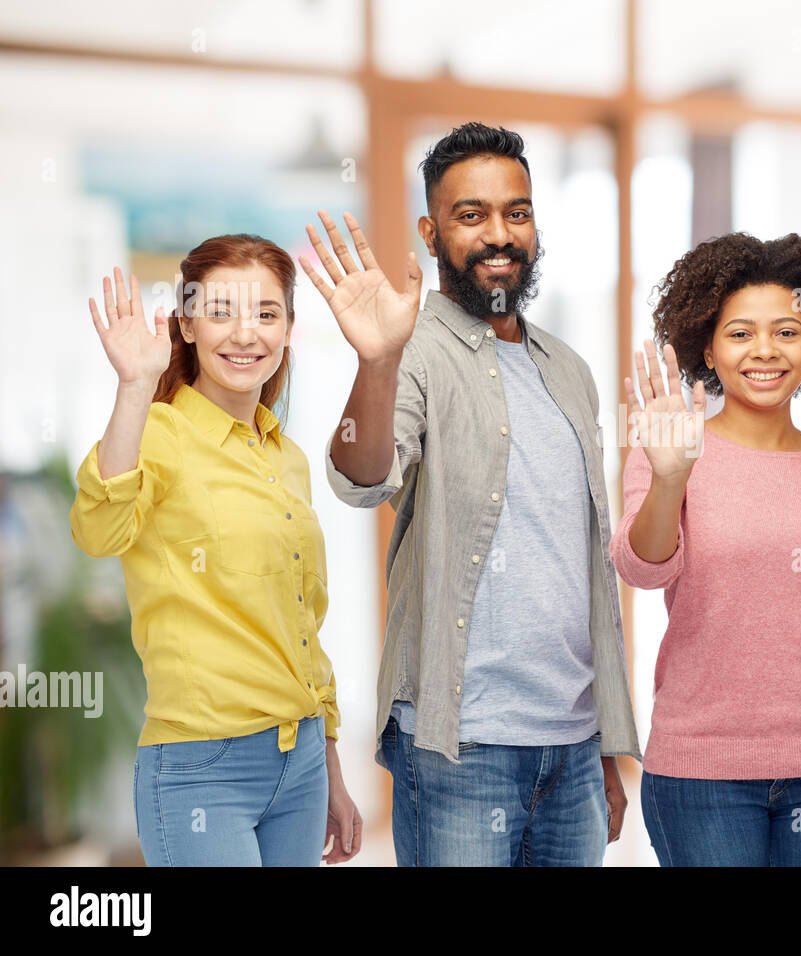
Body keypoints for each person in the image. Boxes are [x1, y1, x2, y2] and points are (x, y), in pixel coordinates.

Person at [304, 122, 640, 867]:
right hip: (462, 745)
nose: (498, 234)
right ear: (431, 233)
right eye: (471, 214)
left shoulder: (570, 371)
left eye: (516, 212)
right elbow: (361, 478)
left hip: (574, 747)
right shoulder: (414, 352)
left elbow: (585, 566)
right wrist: (377, 362)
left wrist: (607, 744)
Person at [69, 236, 362, 866]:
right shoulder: (158, 432)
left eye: (266, 313)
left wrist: (331, 768)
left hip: (302, 762)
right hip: (202, 766)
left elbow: (303, 629)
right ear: (186, 324)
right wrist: (135, 387)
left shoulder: (287, 457)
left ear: (288, 329)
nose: (245, 333)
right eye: (221, 311)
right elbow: (98, 530)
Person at [611, 232, 801, 866]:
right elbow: (641, 569)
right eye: (740, 333)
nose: (764, 350)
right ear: (707, 349)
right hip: (702, 776)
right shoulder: (669, 452)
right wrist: (670, 477)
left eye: (786, 332)